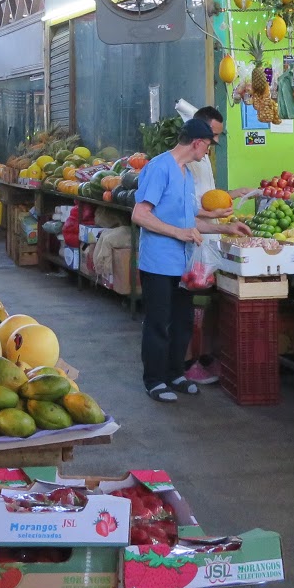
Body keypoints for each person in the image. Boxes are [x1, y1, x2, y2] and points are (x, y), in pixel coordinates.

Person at [130, 118, 226, 403]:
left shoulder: (186, 174)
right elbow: (140, 215)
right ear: (197, 143)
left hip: (182, 265)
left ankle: (175, 373)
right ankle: (154, 380)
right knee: (159, 322)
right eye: (208, 146)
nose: (207, 152)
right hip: (158, 263)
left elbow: (191, 220)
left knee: (182, 321)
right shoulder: (160, 169)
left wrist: (226, 228)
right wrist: (179, 233)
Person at [182, 106, 253, 387]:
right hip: (194, 240)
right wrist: (215, 218)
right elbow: (190, 205)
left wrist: (232, 195)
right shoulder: (188, 161)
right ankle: (189, 363)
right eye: (212, 135)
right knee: (190, 304)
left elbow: (208, 197)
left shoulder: (204, 158)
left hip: (207, 240)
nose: (215, 142)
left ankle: (207, 358)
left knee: (207, 302)